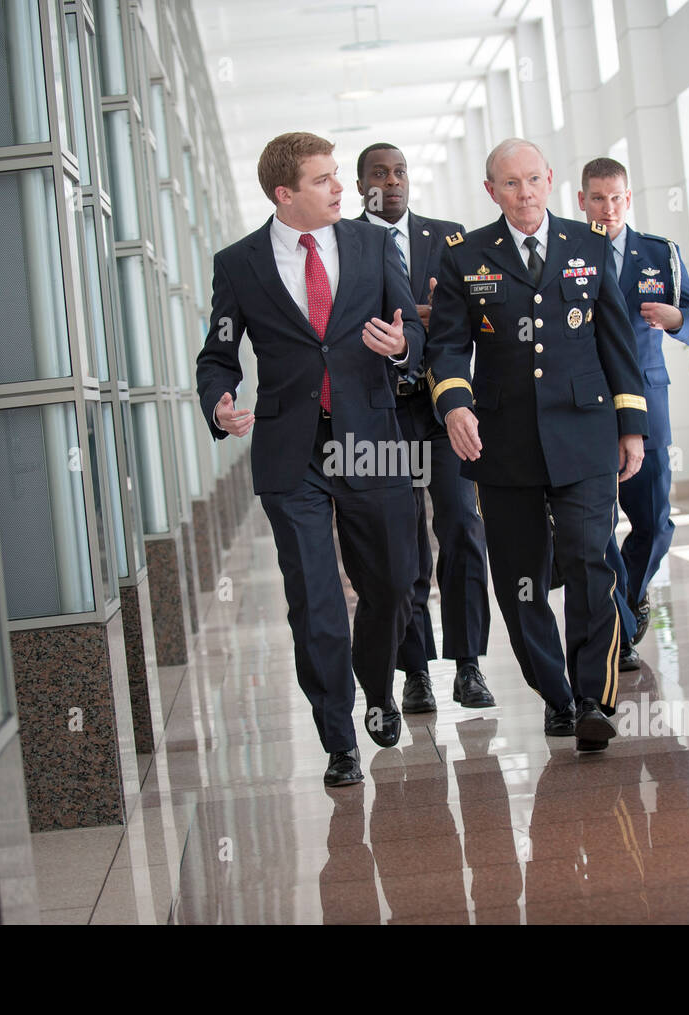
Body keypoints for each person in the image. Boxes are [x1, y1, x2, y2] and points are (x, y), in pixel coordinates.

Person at [195, 131, 424, 787]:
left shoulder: (373, 245)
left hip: (370, 438)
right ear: (284, 193)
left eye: (337, 177)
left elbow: (415, 332)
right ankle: (338, 739)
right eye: (324, 179)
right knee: (315, 601)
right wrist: (220, 401)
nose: (343, 189)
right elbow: (218, 354)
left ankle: (378, 688)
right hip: (290, 450)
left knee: (392, 583)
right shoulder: (239, 265)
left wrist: (402, 347)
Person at [425, 137, 647, 754]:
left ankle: (594, 698)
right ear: (490, 191)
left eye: (533, 180)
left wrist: (632, 426)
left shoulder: (589, 244)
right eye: (510, 184)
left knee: (588, 560)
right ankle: (556, 695)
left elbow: (616, 341)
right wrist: (454, 402)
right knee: (520, 581)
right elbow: (446, 345)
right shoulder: (466, 256)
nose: (524, 193)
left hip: (585, 433)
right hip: (506, 445)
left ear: (550, 180)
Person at [355, 142, 494, 714]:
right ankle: (415, 669)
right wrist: (420, 321)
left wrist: (426, 322)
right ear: (362, 183)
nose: (392, 182)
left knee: (461, 525)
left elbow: (477, 318)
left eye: (400, 171)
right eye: (379, 174)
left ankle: (469, 664)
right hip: (382, 416)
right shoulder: (347, 244)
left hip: (443, 407)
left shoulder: (450, 238)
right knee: (403, 542)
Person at [578, 157, 689, 670]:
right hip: (587, 408)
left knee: (655, 523)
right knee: (598, 524)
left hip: (648, 405)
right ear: (581, 201)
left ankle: (629, 598)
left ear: (628, 198)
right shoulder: (567, 252)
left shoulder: (661, 254)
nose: (607, 208)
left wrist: (678, 319)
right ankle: (619, 626)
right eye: (597, 198)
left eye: (616, 197)